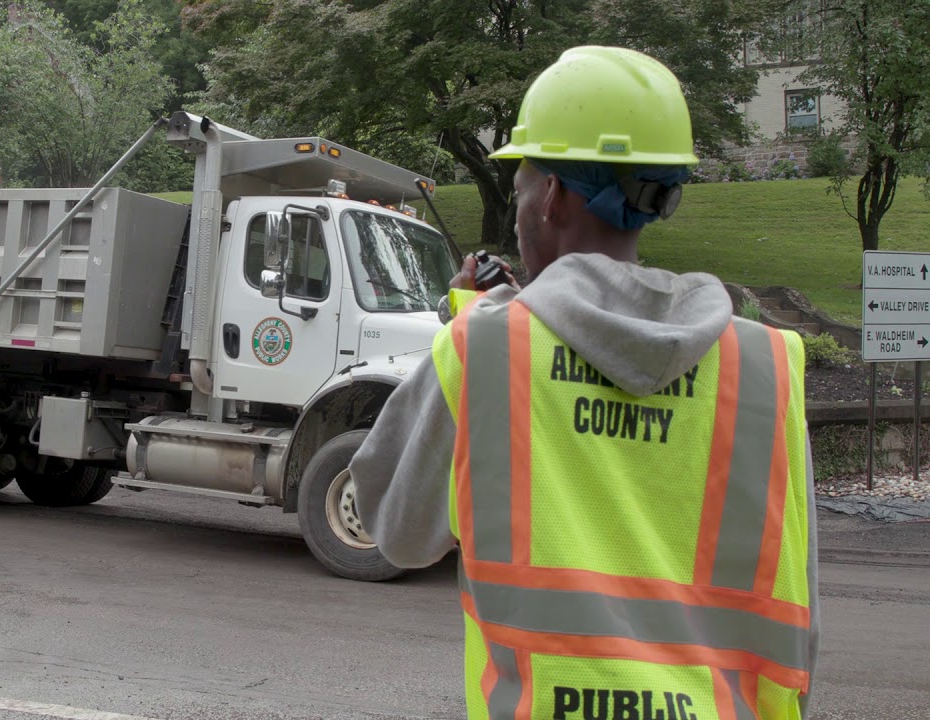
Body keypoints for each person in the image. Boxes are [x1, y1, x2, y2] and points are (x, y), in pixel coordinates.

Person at [349, 45, 820, 719]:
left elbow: (395, 528)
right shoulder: (768, 368)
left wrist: (462, 328)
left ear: (552, 196)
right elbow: (803, 618)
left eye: (518, 190)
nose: (516, 211)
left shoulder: (485, 348)